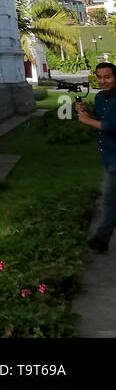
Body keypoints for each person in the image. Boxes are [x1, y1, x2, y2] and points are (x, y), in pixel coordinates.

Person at [76, 61, 116, 253]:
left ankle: (100, 240)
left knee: (109, 200)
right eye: (99, 77)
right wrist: (86, 112)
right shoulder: (100, 98)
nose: (102, 81)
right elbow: (102, 120)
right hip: (108, 157)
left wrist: (86, 120)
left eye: (107, 77)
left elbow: (112, 126)